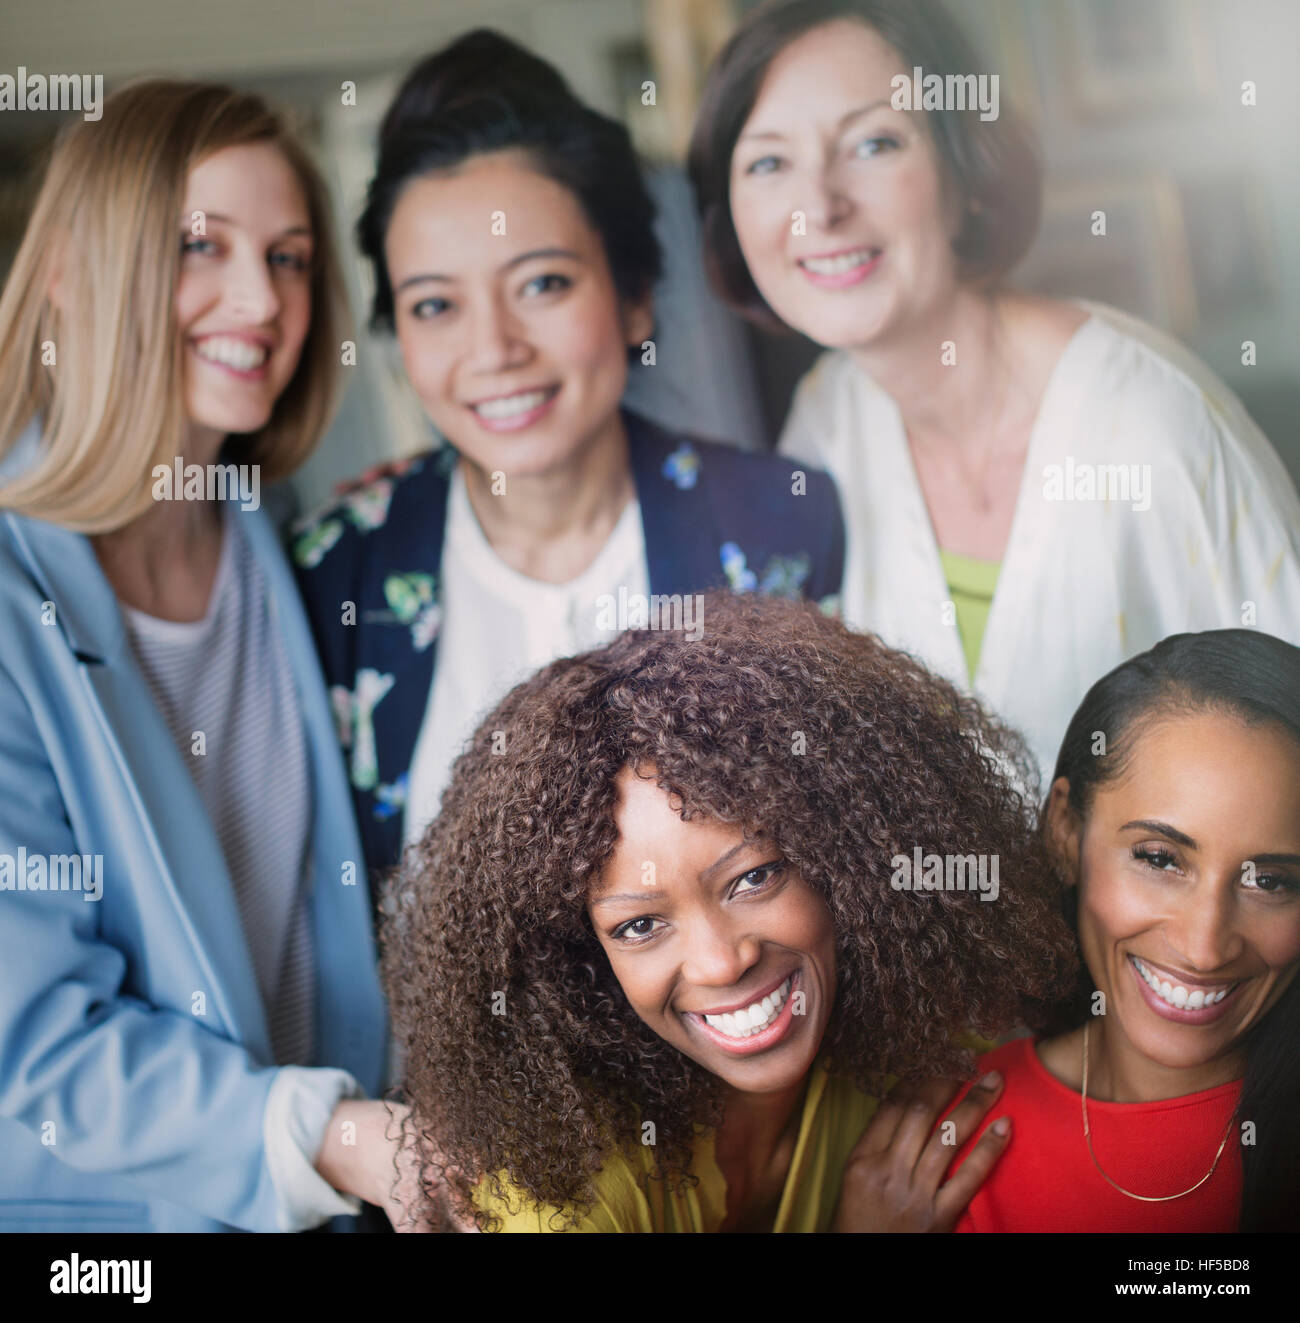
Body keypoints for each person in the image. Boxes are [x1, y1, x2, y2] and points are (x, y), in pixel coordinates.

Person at [688, 0, 1300, 778]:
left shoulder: (1151, 422)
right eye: (769, 163)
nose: (821, 207)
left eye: (875, 143)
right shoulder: (829, 420)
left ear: (966, 171)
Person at [292, 30, 845, 881]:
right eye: (436, 305)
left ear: (633, 299)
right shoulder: (339, 573)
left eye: (542, 284)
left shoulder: (786, 524)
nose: (495, 347)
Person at [0, 80, 397, 1232]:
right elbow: (38, 1049)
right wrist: (338, 1138)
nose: (259, 299)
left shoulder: (277, 549)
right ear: (72, 272)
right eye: (197, 246)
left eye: (287, 257)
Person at [383, 591, 1078, 1231]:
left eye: (754, 878)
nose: (722, 960)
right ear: (580, 958)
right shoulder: (566, 1195)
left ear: (846, 856)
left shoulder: (919, 1043)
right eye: (639, 925)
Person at [942, 630, 1300, 1231]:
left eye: (1269, 881)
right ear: (1065, 832)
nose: (1205, 947)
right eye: (1159, 859)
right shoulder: (949, 1139)